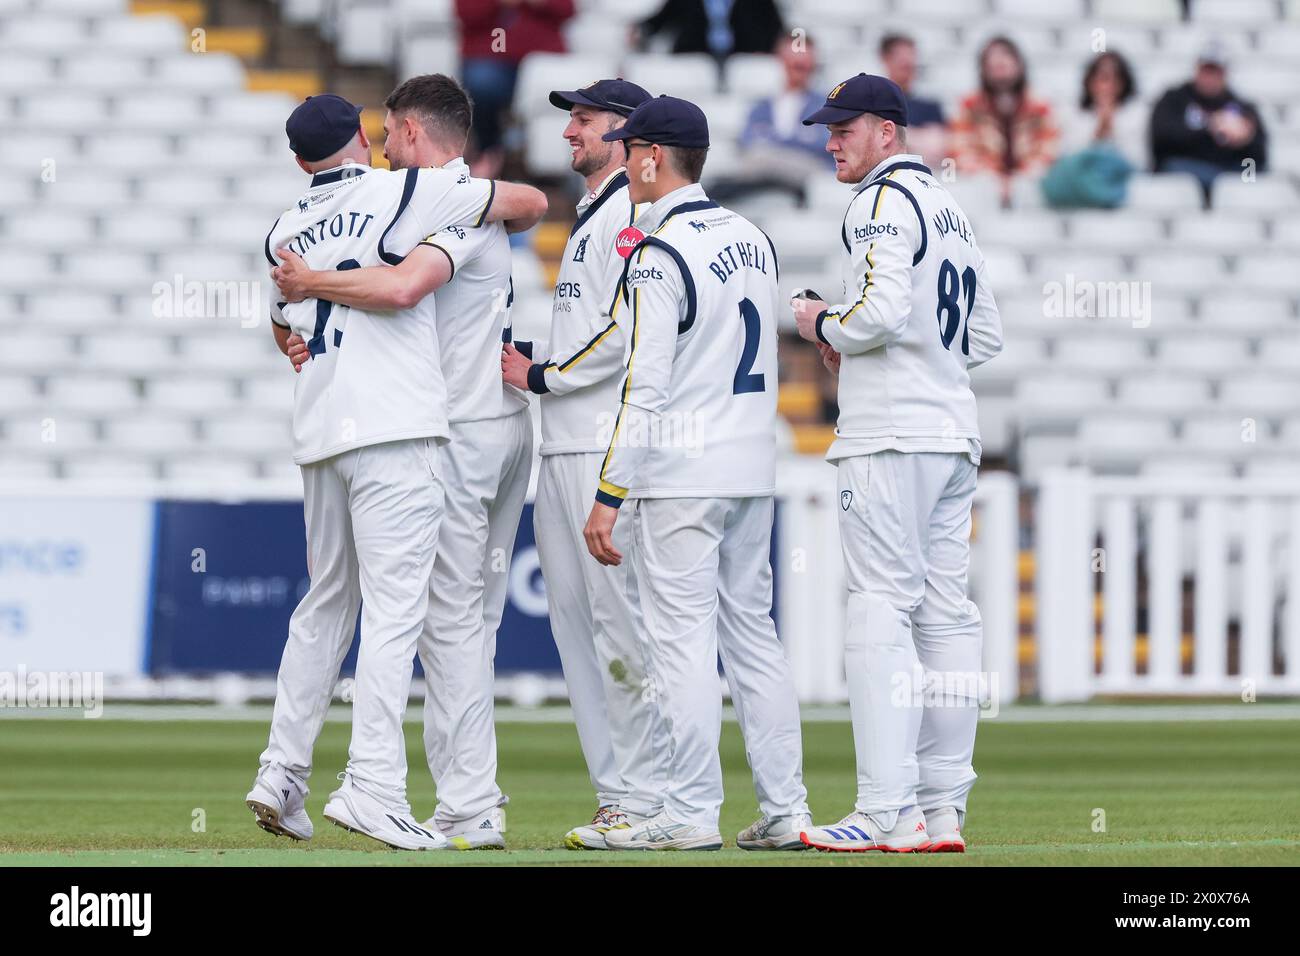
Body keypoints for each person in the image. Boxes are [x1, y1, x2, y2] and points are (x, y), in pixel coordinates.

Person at [245, 92, 546, 851]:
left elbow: (285, 329)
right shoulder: (405, 191)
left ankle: (283, 772)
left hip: (323, 429)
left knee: (328, 606)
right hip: (405, 425)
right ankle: (377, 786)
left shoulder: (282, 228)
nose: (383, 142)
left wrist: (308, 293)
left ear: (296, 158)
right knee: (408, 614)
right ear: (359, 138)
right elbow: (527, 202)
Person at [581, 95, 811, 851]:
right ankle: (785, 809)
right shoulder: (753, 236)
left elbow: (644, 387)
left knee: (681, 644)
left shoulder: (659, 252)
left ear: (652, 157)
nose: (623, 159)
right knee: (754, 640)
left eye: (629, 147)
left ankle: (686, 812)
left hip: (684, 472)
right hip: (751, 462)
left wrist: (609, 493)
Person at [792, 74, 1002, 852]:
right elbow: (982, 337)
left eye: (844, 128)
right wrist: (910, 362)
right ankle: (942, 807)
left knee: (880, 608)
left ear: (887, 131)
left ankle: (887, 809)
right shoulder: (950, 207)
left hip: (890, 435)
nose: (831, 140)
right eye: (829, 127)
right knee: (947, 619)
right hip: (951, 430)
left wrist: (820, 320)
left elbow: (876, 314)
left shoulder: (881, 201)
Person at [500, 79, 671, 850]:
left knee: (617, 626)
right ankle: (617, 794)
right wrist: (531, 362)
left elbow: (622, 332)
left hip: (601, 444)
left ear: (626, 133)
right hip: (563, 441)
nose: (570, 132)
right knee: (577, 629)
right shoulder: (595, 214)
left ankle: (652, 794)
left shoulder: (630, 215)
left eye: (587, 120)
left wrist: (540, 375)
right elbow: (586, 332)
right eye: (571, 118)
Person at [455, 0, 576, 175]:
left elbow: (567, 10)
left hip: (541, 55)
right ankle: (488, 149)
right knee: (482, 82)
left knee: (557, 84)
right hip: (489, 54)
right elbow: (467, 14)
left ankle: (547, 161)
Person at [1150, 40, 1268, 205]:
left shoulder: (1242, 106)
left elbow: (1259, 157)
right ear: (1197, 69)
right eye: (1207, 70)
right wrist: (1210, 127)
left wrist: (1245, 138)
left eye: (1216, 71)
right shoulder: (1175, 98)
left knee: (1249, 176)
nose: (1210, 77)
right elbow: (1160, 140)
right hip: (1187, 170)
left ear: (1225, 73)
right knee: (1175, 169)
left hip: (1228, 172)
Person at [949, 36, 1059, 205]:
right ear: (983, 69)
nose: (999, 67)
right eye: (993, 64)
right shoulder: (969, 106)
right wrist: (993, 177)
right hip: (984, 183)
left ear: (1019, 65)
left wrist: (1020, 179)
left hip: (1029, 184)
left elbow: (1049, 151)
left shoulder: (1040, 107)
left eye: (1005, 62)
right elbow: (960, 151)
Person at [1061, 50, 1145, 169]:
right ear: (1090, 82)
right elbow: (1069, 161)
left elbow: (1140, 162)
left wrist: (1112, 131)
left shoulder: (1136, 114)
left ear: (1124, 83)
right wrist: (1098, 133)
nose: (1110, 86)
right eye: (1104, 79)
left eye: (1116, 79)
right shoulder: (1074, 114)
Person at [878, 33, 947, 169]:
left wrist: (898, 135)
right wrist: (916, 137)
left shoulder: (930, 104)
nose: (907, 61)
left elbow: (936, 148)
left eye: (911, 55)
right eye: (900, 56)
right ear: (885, 59)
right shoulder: (874, 104)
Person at [632, 0, 783, 59]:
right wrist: (640, 30)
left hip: (743, 54)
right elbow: (661, 19)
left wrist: (767, 48)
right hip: (695, 54)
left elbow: (774, 25)